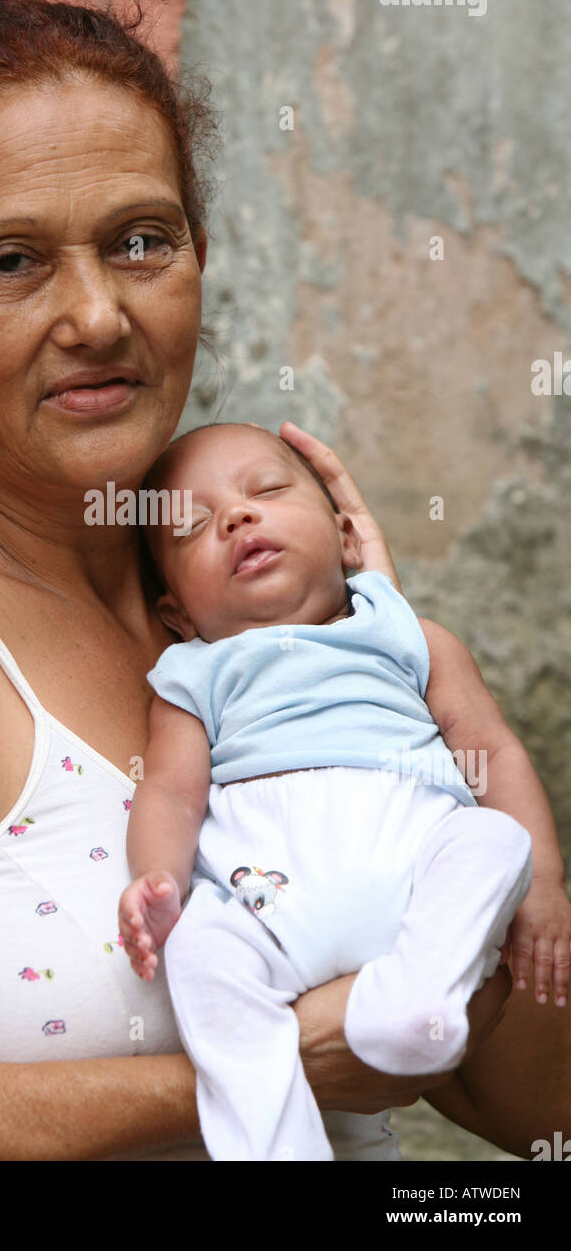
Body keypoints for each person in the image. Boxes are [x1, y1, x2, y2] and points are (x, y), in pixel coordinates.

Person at [0, 0, 567, 1161]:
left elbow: (536, 1111)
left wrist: (384, 689)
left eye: (141, 242)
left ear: (200, 257)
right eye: (12, 261)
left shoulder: (258, 609)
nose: (99, 315)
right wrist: (253, 1068)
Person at [118, 422, 571, 1159]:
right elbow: (170, 792)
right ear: (176, 614)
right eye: (194, 526)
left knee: (494, 837)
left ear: (344, 533)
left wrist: (545, 884)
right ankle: (275, 1141)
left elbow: (494, 752)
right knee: (200, 948)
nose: (237, 516)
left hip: (412, 876)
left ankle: (418, 997)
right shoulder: (194, 674)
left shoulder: (410, 637)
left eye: (266, 489)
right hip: (273, 898)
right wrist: (157, 878)